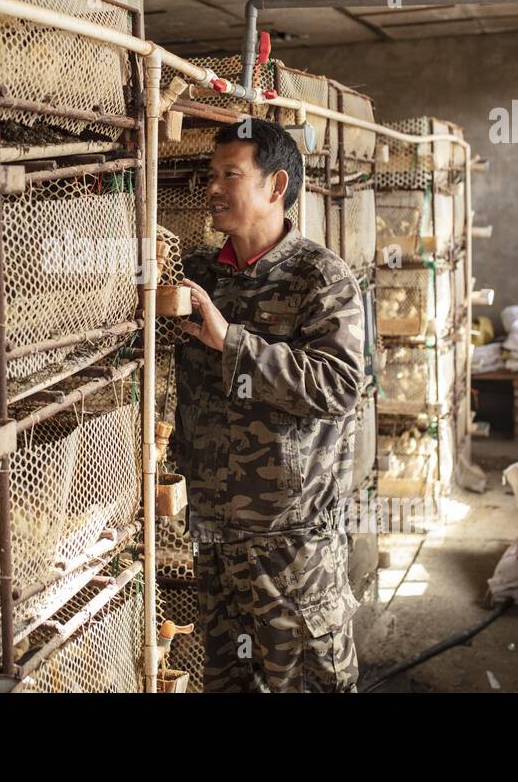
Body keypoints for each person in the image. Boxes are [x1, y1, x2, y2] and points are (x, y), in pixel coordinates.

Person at [170, 116, 365, 692]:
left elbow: (338, 385)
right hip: (213, 535)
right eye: (212, 174)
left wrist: (231, 340)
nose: (212, 188)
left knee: (306, 682)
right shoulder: (197, 276)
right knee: (228, 682)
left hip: (293, 548)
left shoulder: (320, 278)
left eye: (230, 174)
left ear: (276, 186)